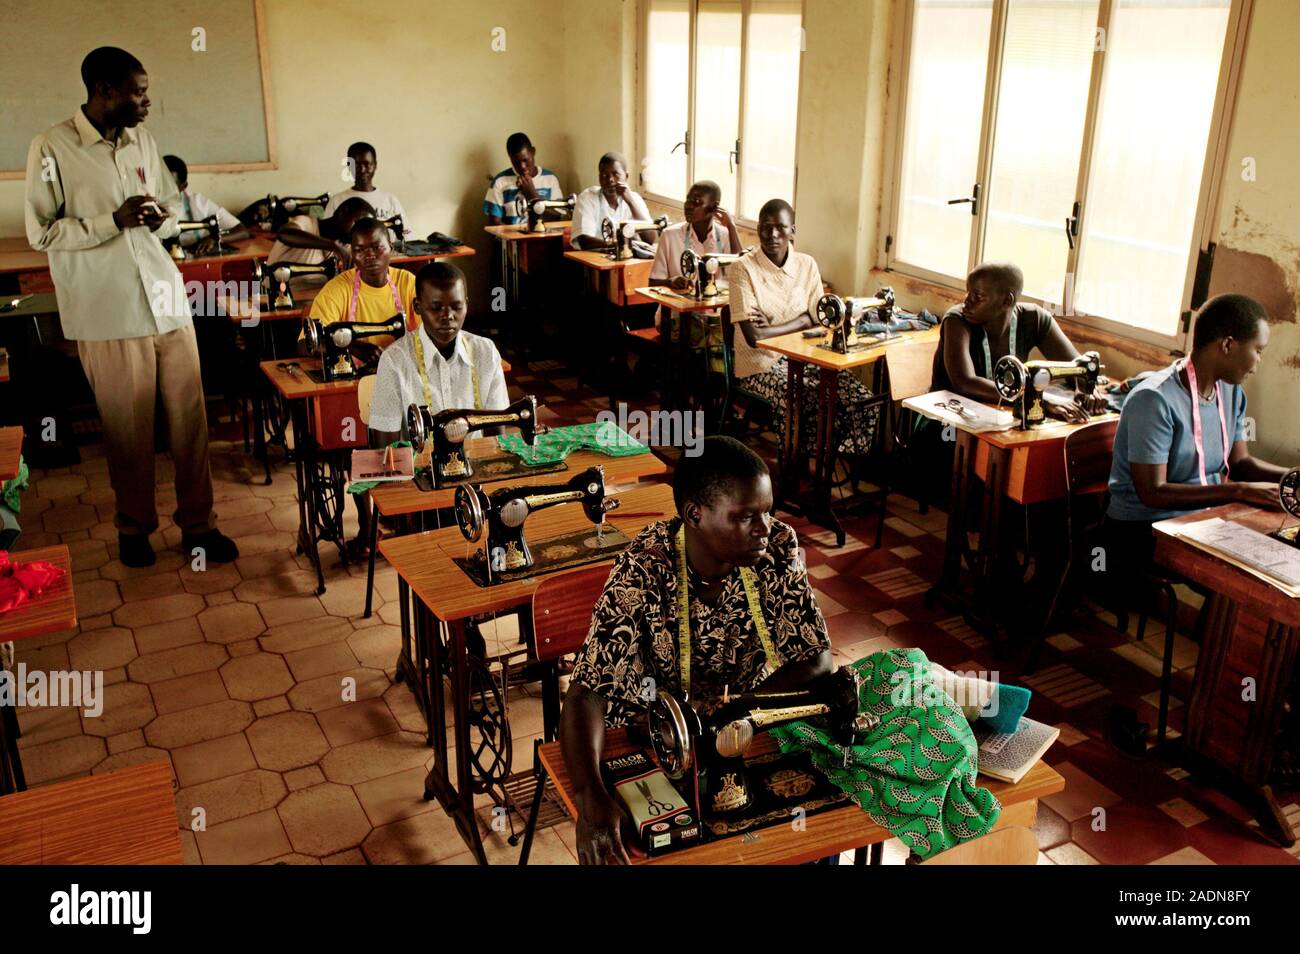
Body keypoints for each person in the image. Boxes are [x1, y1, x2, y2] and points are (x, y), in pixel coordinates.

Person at [561, 436, 833, 864]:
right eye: (747, 517)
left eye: (767, 511)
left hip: (741, 733)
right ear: (694, 515)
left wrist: (733, 712)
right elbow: (587, 692)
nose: (765, 528)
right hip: (657, 743)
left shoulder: (776, 547)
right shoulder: (644, 567)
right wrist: (589, 793)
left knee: (817, 837)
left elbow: (815, 658)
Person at [24, 46, 238, 569]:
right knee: (127, 430)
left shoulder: (142, 139)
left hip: (165, 299)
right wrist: (111, 221)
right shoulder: (51, 146)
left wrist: (157, 215)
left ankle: (199, 527)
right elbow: (41, 231)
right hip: (107, 309)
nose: (147, 101)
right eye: (138, 91)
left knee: (190, 421)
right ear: (105, 91)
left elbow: (168, 212)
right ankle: (134, 529)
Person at [1106, 293, 1285, 567]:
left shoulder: (1231, 392)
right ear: (1227, 344)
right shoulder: (1154, 400)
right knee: (1247, 567)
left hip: (1201, 518)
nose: (1259, 361)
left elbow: (1241, 464)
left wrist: (1292, 477)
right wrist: (1239, 492)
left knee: (1277, 549)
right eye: (1258, 350)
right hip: (1141, 529)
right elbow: (1152, 492)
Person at [727, 199, 881, 459]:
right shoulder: (742, 269)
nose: (773, 235)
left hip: (804, 359)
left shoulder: (806, 265)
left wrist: (787, 325)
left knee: (862, 399)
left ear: (793, 231)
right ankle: (796, 469)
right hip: (759, 366)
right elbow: (756, 337)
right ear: (758, 228)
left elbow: (819, 320)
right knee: (803, 397)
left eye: (780, 227)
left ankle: (827, 460)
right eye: (766, 227)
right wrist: (801, 320)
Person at [931, 262, 1108, 421]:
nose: (966, 302)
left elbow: (1075, 368)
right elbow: (964, 383)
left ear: (1007, 300)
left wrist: (1086, 389)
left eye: (978, 296)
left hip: (997, 417)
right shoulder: (957, 321)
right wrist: (1036, 398)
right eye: (968, 292)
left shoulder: (1034, 319)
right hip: (946, 422)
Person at [368, 262, 509, 445]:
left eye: (457, 307)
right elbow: (386, 451)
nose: (448, 316)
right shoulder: (395, 361)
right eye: (436, 308)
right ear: (417, 307)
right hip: (419, 469)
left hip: (476, 465)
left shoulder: (485, 352)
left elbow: (496, 436)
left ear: (466, 304)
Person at [323, 141, 413, 239]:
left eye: (367, 164)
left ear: (375, 165)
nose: (362, 170)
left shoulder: (390, 200)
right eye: (357, 165)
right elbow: (327, 237)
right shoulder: (336, 201)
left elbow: (407, 235)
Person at [161, 154, 249, 249]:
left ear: (183, 187)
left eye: (172, 188)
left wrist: (214, 239)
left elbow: (242, 231)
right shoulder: (147, 205)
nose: (165, 191)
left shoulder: (198, 203)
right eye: (162, 184)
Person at [571, 152, 654, 251]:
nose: (610, 179)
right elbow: (584, 241)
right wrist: (620, 245)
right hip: (595, 261)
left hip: (628, 261)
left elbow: (650, 239)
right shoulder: (587, 198)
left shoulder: (634, 199)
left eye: (616, 174)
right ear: (599, 177)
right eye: (604, 175)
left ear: (626, 176)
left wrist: (631, 202)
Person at [483, 132, 565, 227]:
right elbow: (494, 223)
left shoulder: (550, 179)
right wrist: (514, 238)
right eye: (516, 163)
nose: (522, 167)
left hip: (544, 239)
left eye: (525, 160)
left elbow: (556, 218)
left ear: (533, 152)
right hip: (513, 240)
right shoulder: (500, 181)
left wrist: (532, 194)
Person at [267, 196, 374, 267]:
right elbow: (284, 233)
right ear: (343, 212)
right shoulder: (306, 223)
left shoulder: (346, 247)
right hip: (274, 296)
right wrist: (331, 245)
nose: (358, 231)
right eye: (357, 223)